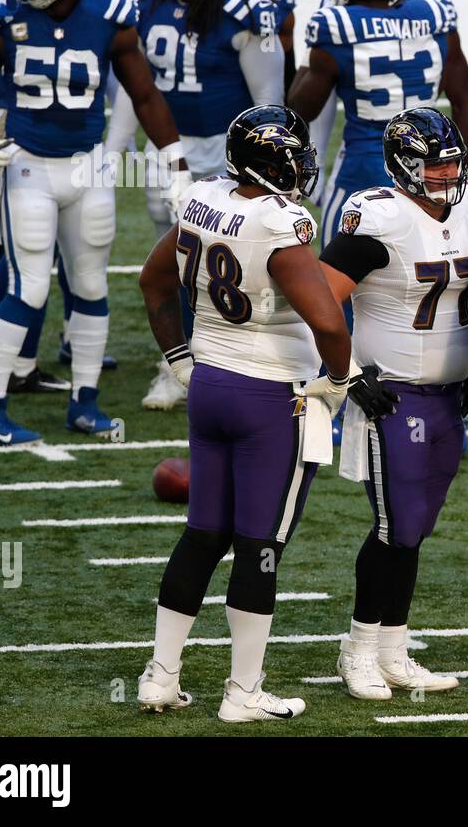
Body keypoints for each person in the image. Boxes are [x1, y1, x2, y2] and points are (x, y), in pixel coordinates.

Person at [135, 105, 351, 723]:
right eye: (291, 158)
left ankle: (160, 676)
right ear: (268, 164)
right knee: (260, 546)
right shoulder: (282, 223)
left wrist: (179, 360)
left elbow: (153, 283)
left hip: (209, 385)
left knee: (203, 535)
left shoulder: (201, 199)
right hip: (268, 396)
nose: (301, 168)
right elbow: (329, 322)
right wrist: (336, 380)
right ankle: (243, 692)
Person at [0, 0, 189, 445]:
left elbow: (144, 94)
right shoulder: (6, 11)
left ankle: (84, 403)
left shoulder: (109, 12)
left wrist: (176, 166)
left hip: (88, 168)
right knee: (29, 286)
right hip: (28, 164)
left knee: (89, 285)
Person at [317, 108, 468, 699]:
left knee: (416, 527)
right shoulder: (380, 218)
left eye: (454, 161)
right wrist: (344, 376)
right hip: (392, 395)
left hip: (450, 395)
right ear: (403, 166)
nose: (449, 174)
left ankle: (394, 648)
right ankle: (359, 649)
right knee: (394, 526)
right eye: (436, 164)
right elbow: (318, 299)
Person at [105, 0, 284, 411]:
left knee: (232, 263)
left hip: (229, 155)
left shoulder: (248, 5)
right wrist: (114, 150)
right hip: (167, 147)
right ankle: (182, 363)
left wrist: (263, 171)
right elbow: (133, 83)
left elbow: (268, 100)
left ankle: (239, 360)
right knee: (178, 262)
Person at [287, 0, 468, 256]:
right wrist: (457, 170)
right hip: (430, 162)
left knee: (338, 276)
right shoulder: (435, 14)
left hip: (364, 165)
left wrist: (310, 54)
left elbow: (300, 108)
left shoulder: (338, 26)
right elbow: (464, 104)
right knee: (429, 266)